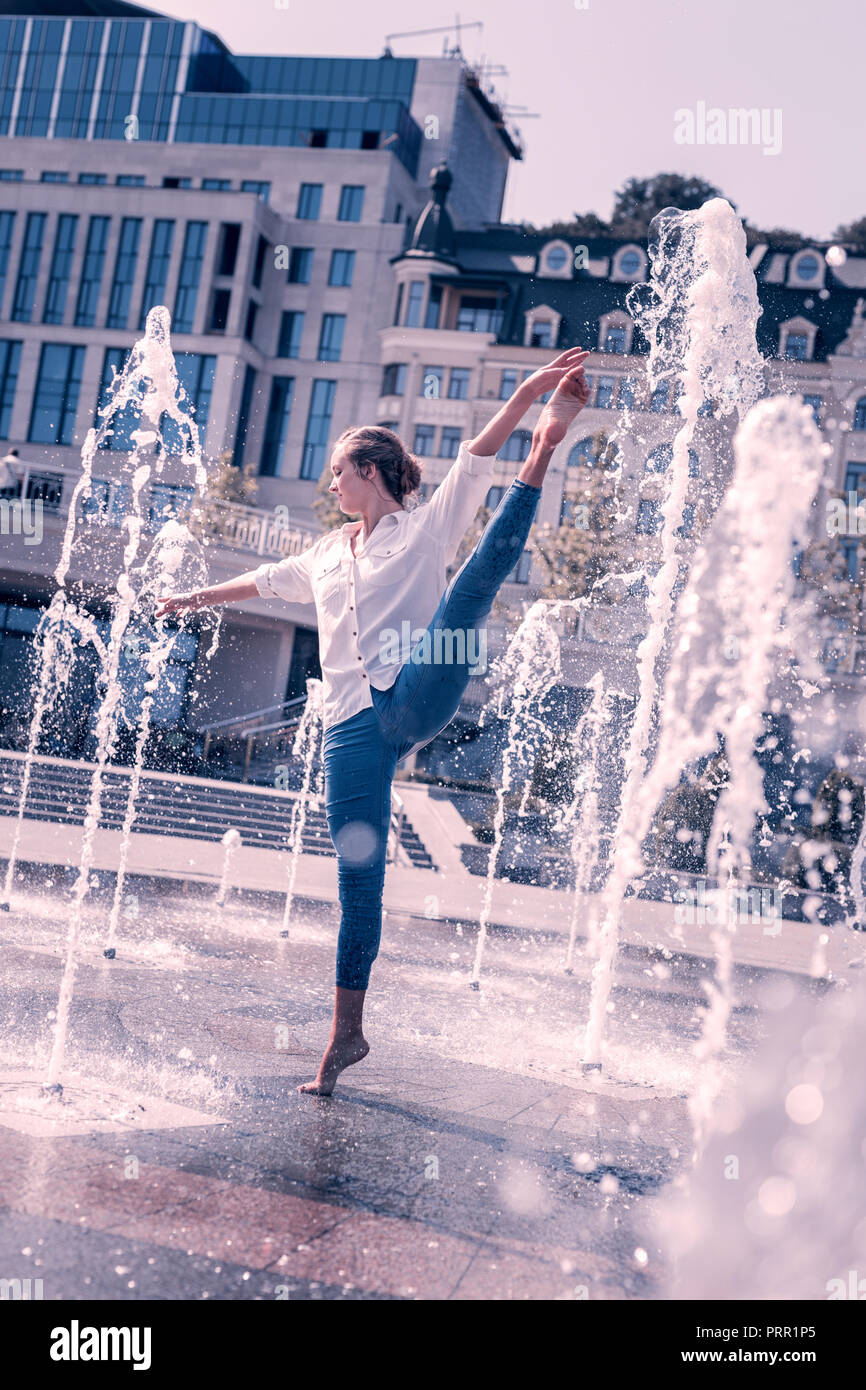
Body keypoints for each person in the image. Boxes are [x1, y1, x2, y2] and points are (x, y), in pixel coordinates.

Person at [155, 347, 591, 1094]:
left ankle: (549, 449)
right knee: (359, 881)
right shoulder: (326, 553)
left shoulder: (422, 530)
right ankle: (346, 1038)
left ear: (373, 473)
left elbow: (475, 459)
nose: (331, 482)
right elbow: (263, 580)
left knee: (472, 589)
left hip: (423, 683)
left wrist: (526, 403)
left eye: (339, 471)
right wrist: (191, 600)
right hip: (352, 723)